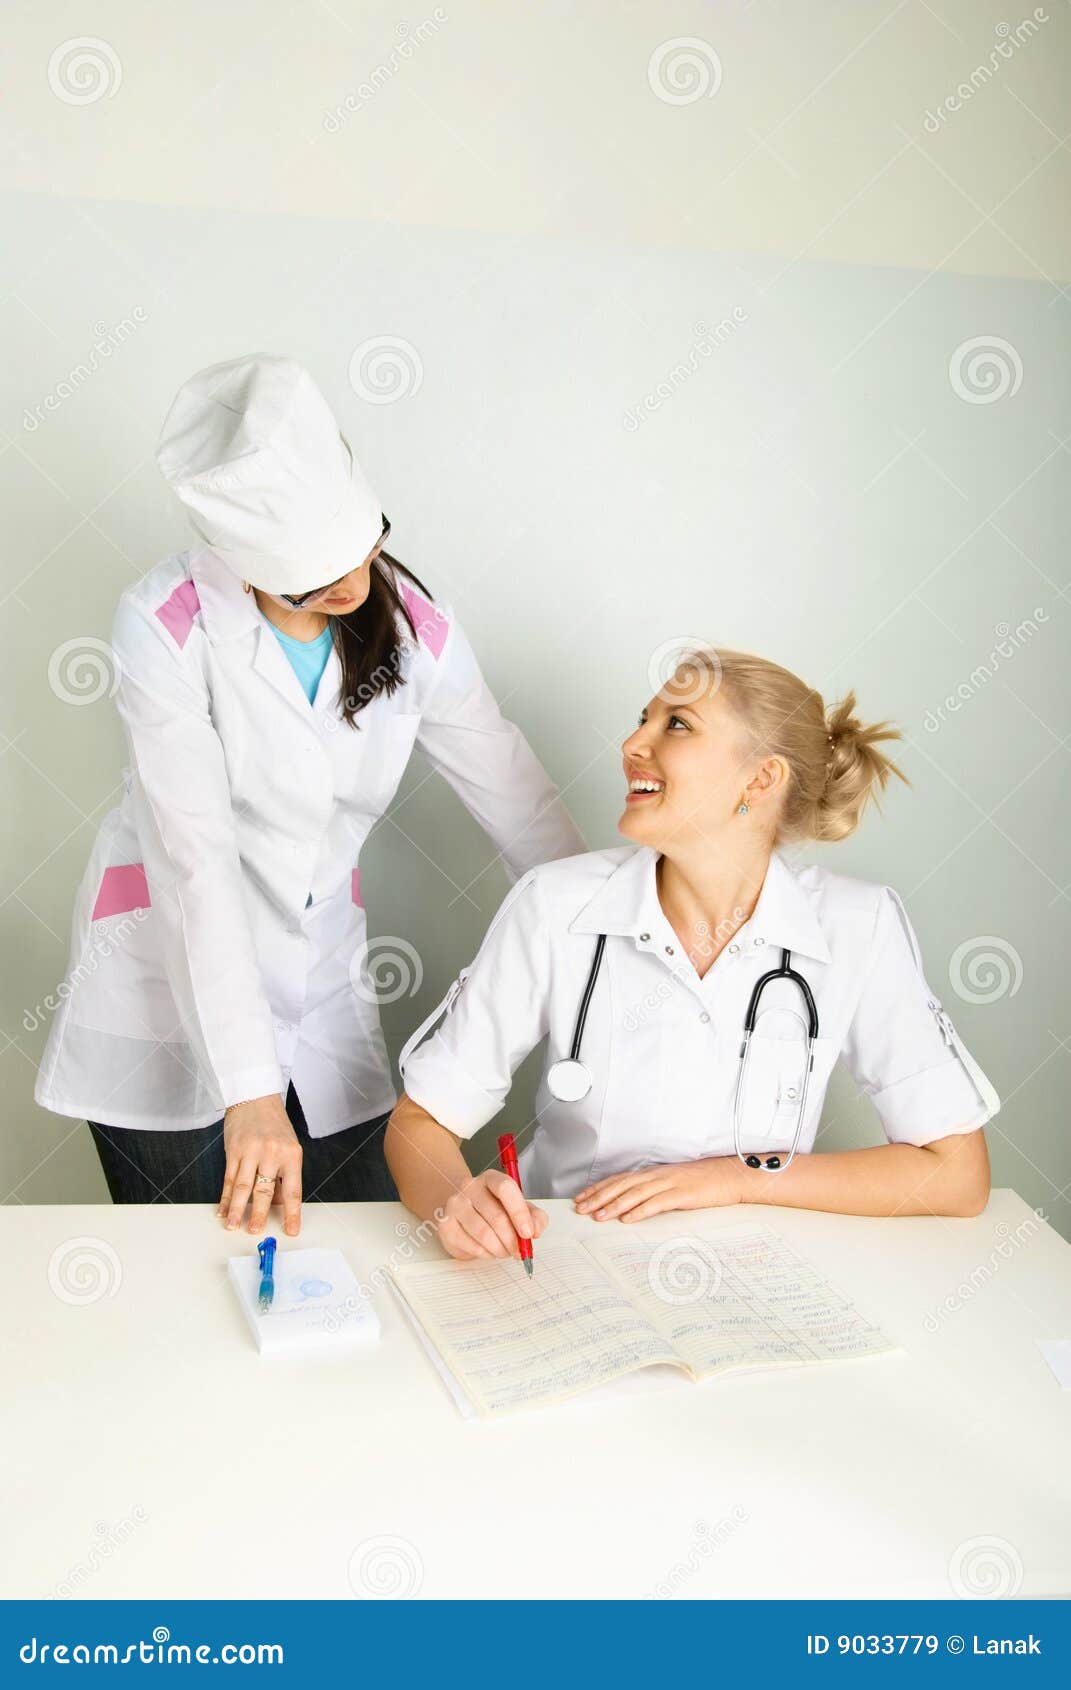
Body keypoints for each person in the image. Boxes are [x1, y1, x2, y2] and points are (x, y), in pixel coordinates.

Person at [35, 355, 584, 1234]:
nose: (348, 588)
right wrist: (249, 1090)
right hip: (163, 980)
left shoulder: (410, 621)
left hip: (319, 976)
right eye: (308, 578)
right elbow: (194, 861)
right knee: (200, 1265)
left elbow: (515, 796)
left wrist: (613, 943)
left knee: (359, 1252)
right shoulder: (164, 622)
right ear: (236, 558)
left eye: (357, 553)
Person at [384, 647, 998, 1259]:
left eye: (676, 724)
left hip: (759, 1272)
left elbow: (956, 1173)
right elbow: (419, 1127)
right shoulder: (553, 904)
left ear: (761, 778)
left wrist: (732, 1179)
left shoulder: (857, 925)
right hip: (574, 1263)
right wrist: (455, 1198)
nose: (632, 744)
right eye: (643, 718)